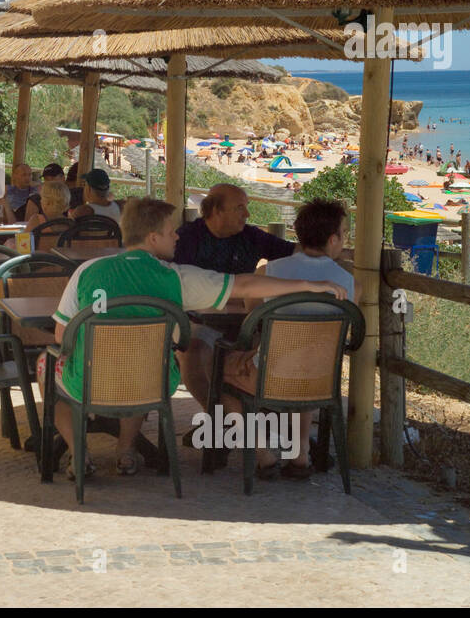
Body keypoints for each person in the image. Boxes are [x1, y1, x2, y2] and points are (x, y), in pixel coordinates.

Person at [50, 198, 348, 479]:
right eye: (171, 233)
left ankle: (78, 454)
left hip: (87, 381)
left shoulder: (87, 272)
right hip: (151, 382)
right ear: (153, 238)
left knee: (47, 367)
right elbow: (243, 285)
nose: (177, 237)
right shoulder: (177, 278)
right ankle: (126, 450)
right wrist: (309, 284)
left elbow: (62, 336)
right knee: (142, 368)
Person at [227, 199, 356, 478]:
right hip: (320, 376)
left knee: (221, 374)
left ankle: (263, 454)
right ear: (333, 239)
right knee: (307, 365)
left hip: (272, 374)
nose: (344, 240)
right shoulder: (346, 281)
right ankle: (300, 455)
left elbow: (253, 315)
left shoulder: (271, 271)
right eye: (344, 234)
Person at [174, 183, 296, 275]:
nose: (247, 214)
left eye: (246, 207)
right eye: (239, 208)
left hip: (242, 307)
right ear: (217, 211)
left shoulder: (251, 236)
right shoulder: (186, 239)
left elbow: (294, 252)